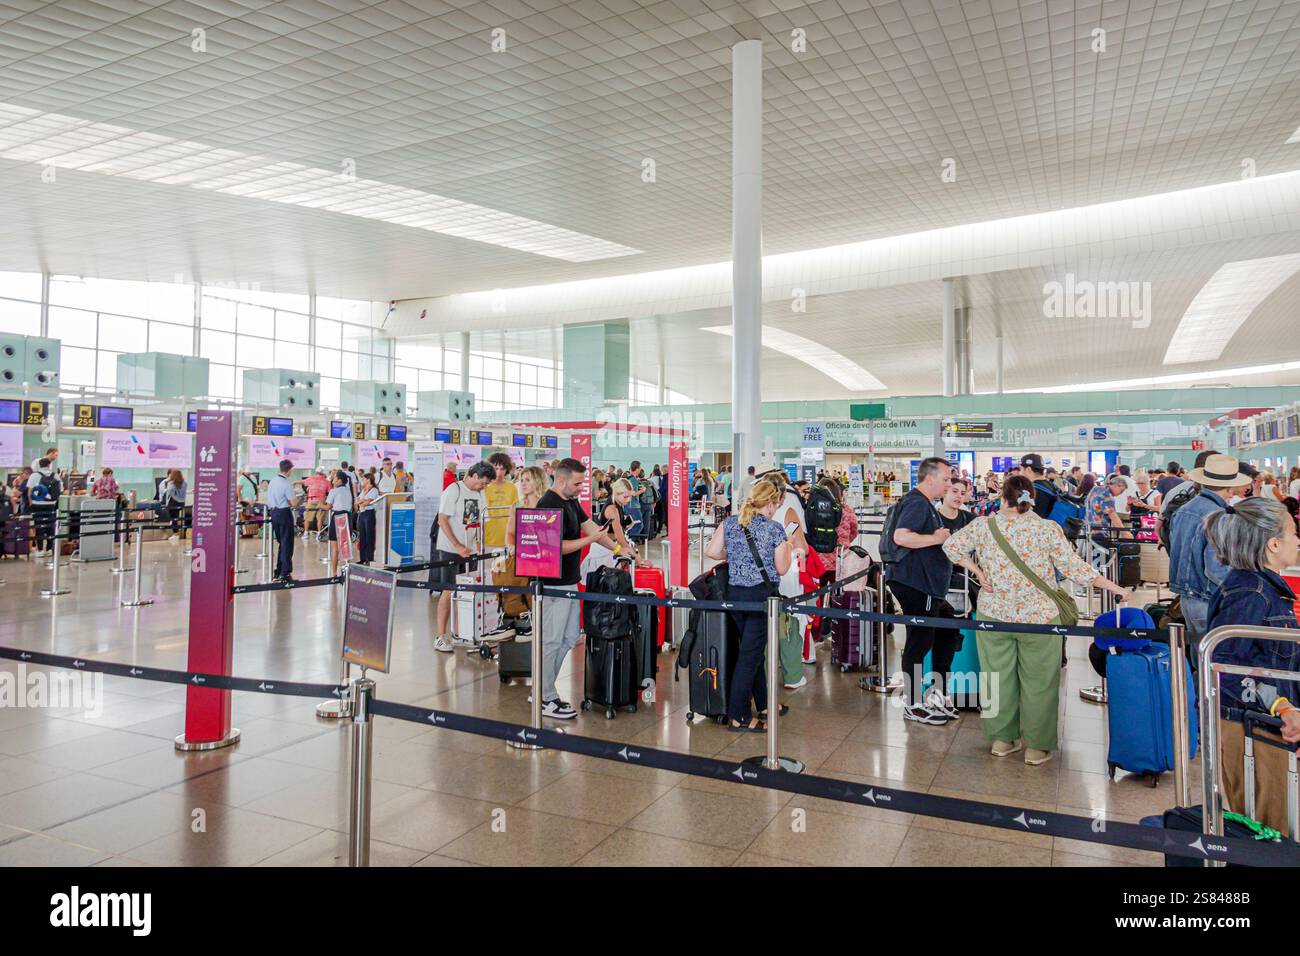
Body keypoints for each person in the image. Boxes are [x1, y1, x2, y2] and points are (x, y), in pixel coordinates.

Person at [943, 475, 1128, 765]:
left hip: (995, 615)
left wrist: (978, 572)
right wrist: (1114, 587)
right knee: (1040, 681)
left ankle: (1002, 740)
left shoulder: (983, 525)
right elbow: (1075, 569)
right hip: (1039, 617)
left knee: (996, 677)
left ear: (1003, 498)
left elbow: (950, 548)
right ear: (1032, 500)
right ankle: (1037, 746)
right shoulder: (1046, 529)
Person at [1202, 496, 1300, 833]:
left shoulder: (1264, 589)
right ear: (1273, 544)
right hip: (1253, 729)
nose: (1298, 540)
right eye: (1293, 532)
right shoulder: (1250, 593)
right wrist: (1279, 704)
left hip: (1266, 727)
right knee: (1272, 827)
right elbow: (1225, 669)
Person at [703, 477, 795, 732]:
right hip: (760, 599)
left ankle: (764, 703)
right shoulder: (774, 529)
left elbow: (711, 551)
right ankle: (738, 715)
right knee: (750, 657)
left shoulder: (731, 523)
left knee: (750, 651)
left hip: (735, 596)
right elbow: (782, 567)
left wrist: (734, 554)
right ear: (772, 503)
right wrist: (788, 545)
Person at [533, 458, 618, 719]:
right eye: (578, 483)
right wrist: (589, 540)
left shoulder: (570, 502)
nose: (582, 488)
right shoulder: (548, 504)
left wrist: (618, 548)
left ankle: (541, 687)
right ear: (561, 480)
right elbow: (554, 547)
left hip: (569, 580)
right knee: (551, 639)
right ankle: (544, 696)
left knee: (569, 636)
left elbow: (592, 527)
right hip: (551, 584)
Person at [886, 456, 961, 724]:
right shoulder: (917, 502)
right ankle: (913, 703)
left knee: (947, 629)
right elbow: (901, 536)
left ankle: (937, 693)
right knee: (920, 640)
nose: (948, 484)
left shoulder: (924, 504)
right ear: (930, 478)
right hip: (917, 583)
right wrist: (936, 538)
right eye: (945, 479)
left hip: (927, 584)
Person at [1169, 453, 1252, 647]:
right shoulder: (1219, 515)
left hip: (1186, 597)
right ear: (1230, 488)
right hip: (1207, 596)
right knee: (1214, 657)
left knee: (1198, 653)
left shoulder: (1185, 509)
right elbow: (1217, 569)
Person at [431, 460, 494, 652]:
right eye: (483, 482)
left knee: (465, 591)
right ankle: (440, 636)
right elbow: (442, 520)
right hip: (450, 549)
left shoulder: (480, 494)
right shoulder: (453, 490)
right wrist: (457, 545)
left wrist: (478, 542)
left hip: (470, 551)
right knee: (448, 591)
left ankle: (461, 634)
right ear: (474, 476)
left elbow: (481, 521)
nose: (484, 486)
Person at [581, 477, 637, 578]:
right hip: (603, 549)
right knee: (601, 585)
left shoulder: (618, 505)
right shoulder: (612, 509)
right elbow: (621, 540)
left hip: (611, 547)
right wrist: (639, 560)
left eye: (630, 497)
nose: (628, 500)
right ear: (617, 493)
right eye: (625, 497)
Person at [267, 459, 300, 582]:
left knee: (282, 543)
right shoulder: (286, 483)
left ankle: (279, 571)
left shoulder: (273, 481)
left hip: (274, 513)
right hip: (284, 513)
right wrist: (299, 498)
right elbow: (294, 503)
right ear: (289, 470)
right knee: (287, 544)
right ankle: (285, 573)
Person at [505, 465, 547, 553]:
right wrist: (511, 546)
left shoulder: (549, 506)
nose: (523, 484)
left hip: (545, 556)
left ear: (538, 481)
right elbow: (510, 533)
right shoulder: (517, 506)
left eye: (528, 480)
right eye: (522, 480)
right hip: (523, 556)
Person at [483, 452, 518, 553]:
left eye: (502, 469)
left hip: (507, 539)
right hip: (488, 539)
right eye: (496, 468)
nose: (498, 472)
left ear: (506, 469)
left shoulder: (512, 487)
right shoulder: (484, 487)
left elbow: (515, 513)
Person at [25, 458, 60, 555]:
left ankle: (40, 550)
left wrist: (31, 502)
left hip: (38, 504)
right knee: (50, 526)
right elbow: (59, 490)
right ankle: (49, 549)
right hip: (51, 504)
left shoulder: (34, 475)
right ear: (49, 465)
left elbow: (29, 492)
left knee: (39, 526)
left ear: (39, 465)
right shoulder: (55, 475)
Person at [325, 470, 354, 576]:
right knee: (346, 545)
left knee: (335, 548)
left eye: (334, 477)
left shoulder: (334, 491)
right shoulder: (348, 491)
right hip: (347, 517)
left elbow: (328, 506)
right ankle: (347, 570)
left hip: (337, 517)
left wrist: (319, 505)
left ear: (339, 480)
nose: (333, 479)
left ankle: (333, 573)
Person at [1018, 453, 1057, 519]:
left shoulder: (1032, 490)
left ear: (1028, 470)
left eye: (1021, 469)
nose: (1020, 473)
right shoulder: (1052, 485)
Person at [355, 473, 380, 565]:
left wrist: (362, 502)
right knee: (362, 537)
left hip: (369, 514)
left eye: (364, 479)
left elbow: (367, 502)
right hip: (362, 513)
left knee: (369, 537)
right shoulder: (364, 490)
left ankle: (369, 558)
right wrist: (362, 501)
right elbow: (357, 501)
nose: (362, 481)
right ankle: (362, 558)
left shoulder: (374, 490)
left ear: (368, 480)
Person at [302, 468, 331, 536]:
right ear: (323, 474)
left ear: (316, 472)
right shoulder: (326, 481)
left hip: (311, 499)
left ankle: (306, 533)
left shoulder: (311, 478)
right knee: (320, 518)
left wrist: (294, 483)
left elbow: (303, 482)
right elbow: (330, 491)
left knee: (307, 517)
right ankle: (319, 533)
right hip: (321, 500)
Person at [161, 469, 188, 539]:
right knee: (176, 518)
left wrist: (169, 482)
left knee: (173, 519)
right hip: (182, 503)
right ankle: (177, 533)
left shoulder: (171, 484)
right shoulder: (185, 483)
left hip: (173, 503)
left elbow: (169, 493)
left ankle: (175, 534)